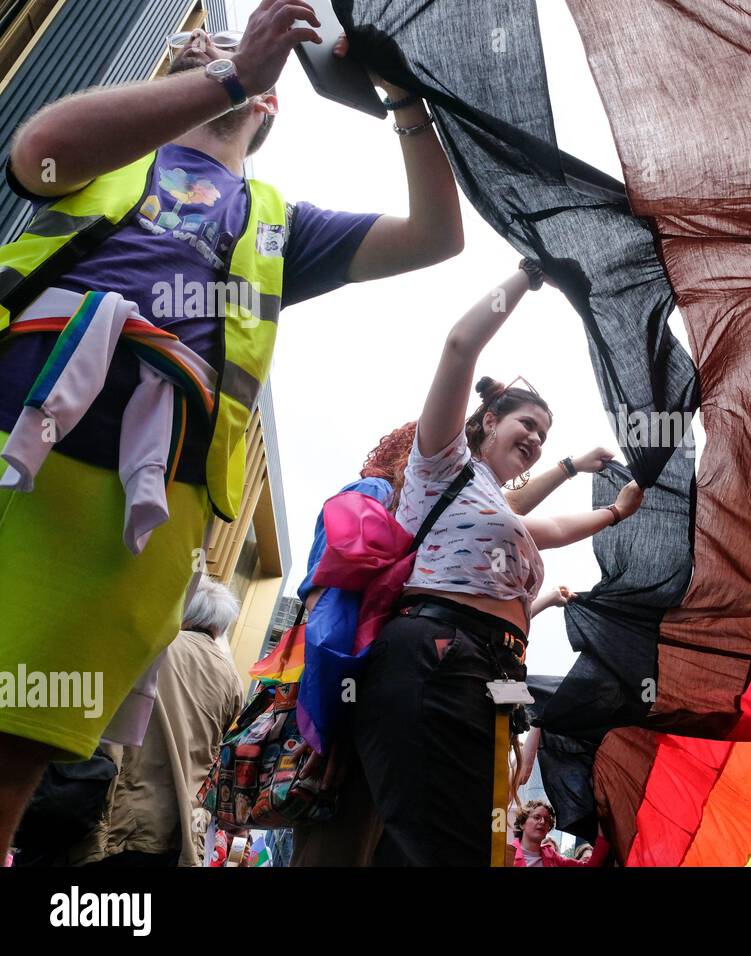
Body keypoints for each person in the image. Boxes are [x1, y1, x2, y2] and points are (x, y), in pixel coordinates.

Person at [0, 2, 464, 854]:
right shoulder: (113, 156)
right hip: (10, 451)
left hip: (132, 524)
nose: (214, 48)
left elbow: (437, 235)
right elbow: (36, 151)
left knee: (10, 772)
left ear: (272, 109)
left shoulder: (282, 224)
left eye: (230, 53)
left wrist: (402, 91)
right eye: (200, 50)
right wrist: (232, 72)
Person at [352, 260, 643, 866]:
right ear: (489, 419)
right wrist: (527, 276)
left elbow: (554, 527)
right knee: (442, 843)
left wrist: (616, 511)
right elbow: (460, 345)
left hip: (497, 676)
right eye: (527, 424)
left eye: (545, 432)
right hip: (439, 653)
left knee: (473, 844)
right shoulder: (441, 469)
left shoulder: (496, 506)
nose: (536, 438)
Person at [289, 428, 602, 867]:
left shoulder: (452, 516)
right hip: (375, 689)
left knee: (408, 841)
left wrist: (572, 469)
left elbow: (507, 510)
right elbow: (327, 603)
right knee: (345, 841)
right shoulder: (378, 493)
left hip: (439, 694)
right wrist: (326, 716)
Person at [67, 577, 242, 867]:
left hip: (124, 815)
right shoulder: (231, 679)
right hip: (181, 826)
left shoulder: (155, 644)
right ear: (219, 627)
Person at [511, 800, 608, 868]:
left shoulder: (552, 856)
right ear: (522, 824)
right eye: (537, 817)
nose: (542, 822)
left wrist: (603, 834)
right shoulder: (505, 853)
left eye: (547, 820)